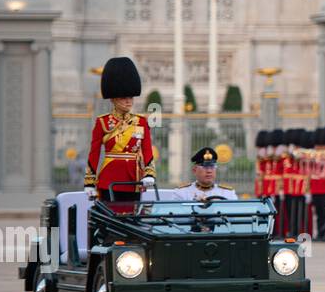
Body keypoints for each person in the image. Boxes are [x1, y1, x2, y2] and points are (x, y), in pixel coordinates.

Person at [85, 57, 156, 211]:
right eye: (124, 97)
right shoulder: (103, 122)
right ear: (114, 98)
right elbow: (94, 153)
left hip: (134, 179)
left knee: (132, 222)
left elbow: (147, 150)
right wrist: (89, 182)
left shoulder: (141, 122)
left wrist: (149, 174)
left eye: (130, 97)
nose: (129, 101)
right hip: (109, 178)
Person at [162, 146, 238, 201]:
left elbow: (235, 218)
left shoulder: (227, 193)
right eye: (205, 167)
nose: (209, 171)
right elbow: (176, 218)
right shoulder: (181, 193)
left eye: (212, 167)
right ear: (194, 170)